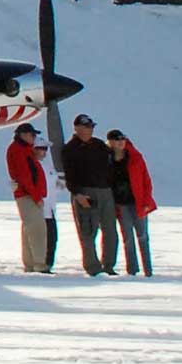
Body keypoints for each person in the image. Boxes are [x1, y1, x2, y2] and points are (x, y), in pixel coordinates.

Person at [62, 113, 118, 276]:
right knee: (88, 231)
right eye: (86, 127)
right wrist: (77, 194)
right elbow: (69, 174)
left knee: (110, 230)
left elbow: (113, 164)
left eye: (91, 127)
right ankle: (92, 267)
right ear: (77, 128)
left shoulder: (99, 145)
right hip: (85, 192)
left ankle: (108, 265)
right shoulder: (70, 149)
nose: (90, 130)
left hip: (105, 191)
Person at [107, 129, 157, 276]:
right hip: (121, 204)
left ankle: (148, 270)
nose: (121, 142)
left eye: (123, 139)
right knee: (127, 237)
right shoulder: (107, 159)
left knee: (142, 236)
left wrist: (147, 200)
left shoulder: (135, 157)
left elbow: (146, 180)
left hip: (138, 202)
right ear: (111, 142)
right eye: (117, 140)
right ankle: (132, 269)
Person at [6, 123, 49, 273]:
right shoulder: (18, 150)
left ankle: (31, 264)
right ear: (23, 135)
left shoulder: (24, 149)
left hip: (28, 194)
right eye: (32, 135)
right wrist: (36, 196)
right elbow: (25, 176)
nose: (34, 138)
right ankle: (39, 264)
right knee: (37, 229)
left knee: (29, 229)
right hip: (27, 196)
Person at [32, 138, 62, 272]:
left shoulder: (48, 166)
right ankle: (39, 264)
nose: (44, 152)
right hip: (39, 208)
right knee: (40, 239)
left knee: (52, 238)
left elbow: (54, 184)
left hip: (50, 209)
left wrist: (61, 183)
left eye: (46, 149)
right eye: (41, 148)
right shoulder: (32, 165)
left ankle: (48, 264)